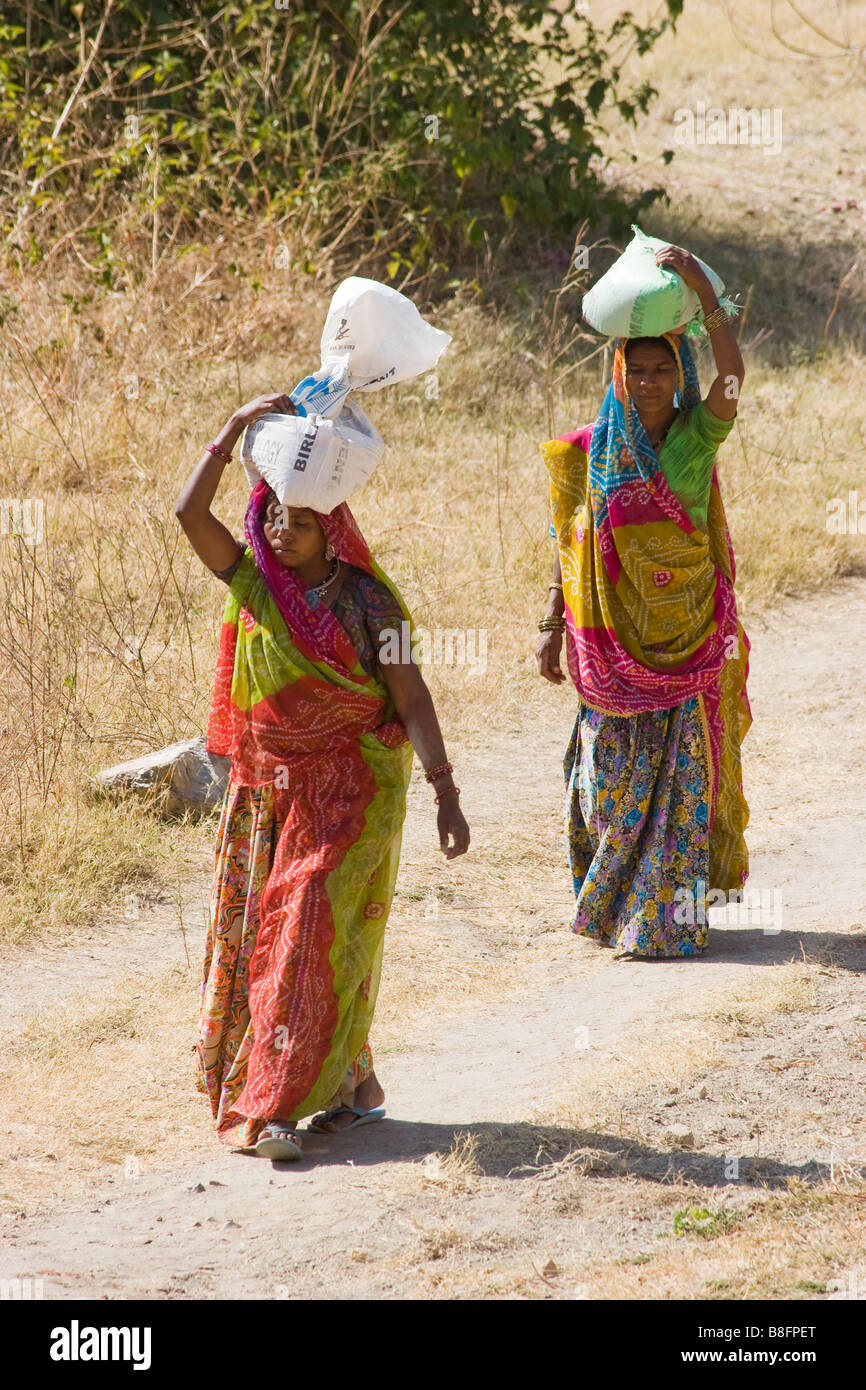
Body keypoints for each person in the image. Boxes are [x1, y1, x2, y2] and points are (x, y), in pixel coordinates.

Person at [175, 393, 470, 1160]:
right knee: (297, 945)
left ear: (332, 527)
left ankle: (271, 1108)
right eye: (273, 514)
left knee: (305, 933)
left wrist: (445, 791)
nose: (282, 530)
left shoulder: (375, 602)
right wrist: (231, 427)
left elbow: (411, 695)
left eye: (301, 521)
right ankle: (355, 1089)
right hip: (265, 798)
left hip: (352, 797)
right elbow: (186, 514)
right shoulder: (252, 582)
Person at [536, 244, 751, 958]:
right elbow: (572, 550)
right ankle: (613, 905)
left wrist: (701, 292)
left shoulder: (695, 441)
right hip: (610, 647)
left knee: (680, 786)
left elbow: (735, 378)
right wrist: (550, 625)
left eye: (664, 369)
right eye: (638, 369)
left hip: (685, 642)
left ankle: (661, 922)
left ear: (678, 374)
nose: (651, 381)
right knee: (608, 788)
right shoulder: (588, 454)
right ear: (619, 375)